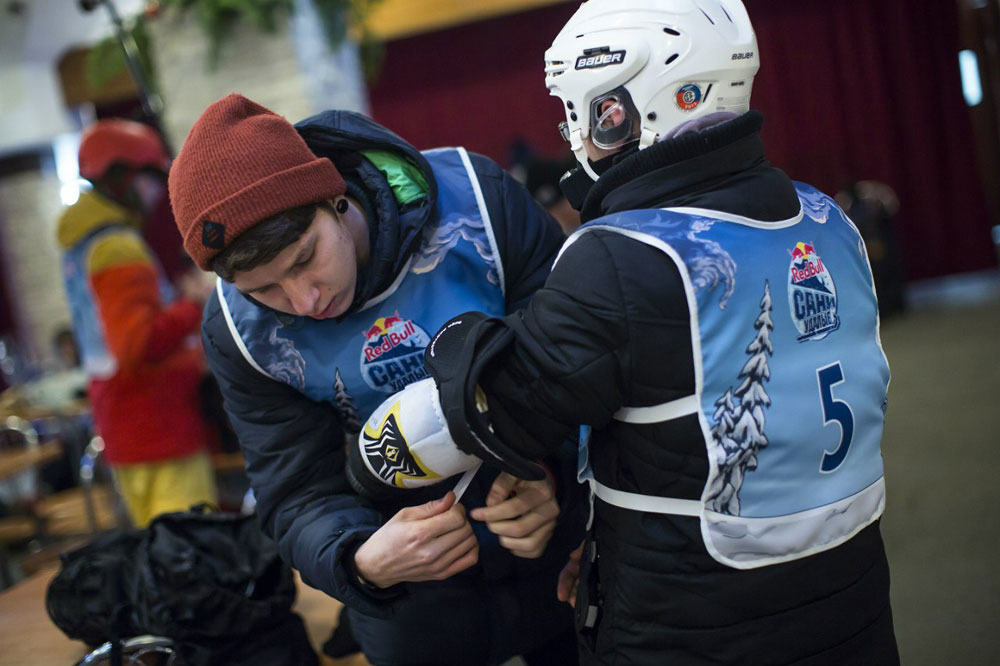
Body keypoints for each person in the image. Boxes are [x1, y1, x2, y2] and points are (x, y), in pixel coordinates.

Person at [348, 1, 900, 664]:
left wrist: (368, 458)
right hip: (853, 599)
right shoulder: (827, 219)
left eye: (592, 111)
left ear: (638, 106)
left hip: (698, 624)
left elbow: (484, 413)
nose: (580, 137)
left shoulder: (621, 255)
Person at [166, 94, 586, 666]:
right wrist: (359, 560)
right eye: (264, 290)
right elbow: (295, 490)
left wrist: (557, 479)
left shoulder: (476, 203)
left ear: (334, 197)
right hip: (411, 600)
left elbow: (580, 361)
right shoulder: (238, 329)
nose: (304, 300)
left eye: (303, 257)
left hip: (556, 555)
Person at [56, 119, 219, 527]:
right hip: (158, 425)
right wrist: (192, 303)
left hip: (125, 424)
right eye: (149, 178)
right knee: (197, 552)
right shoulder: (117, 246)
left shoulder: (82, 245)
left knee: (167, 556)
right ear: (121, 176)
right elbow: (136, 343)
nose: (153, 193)